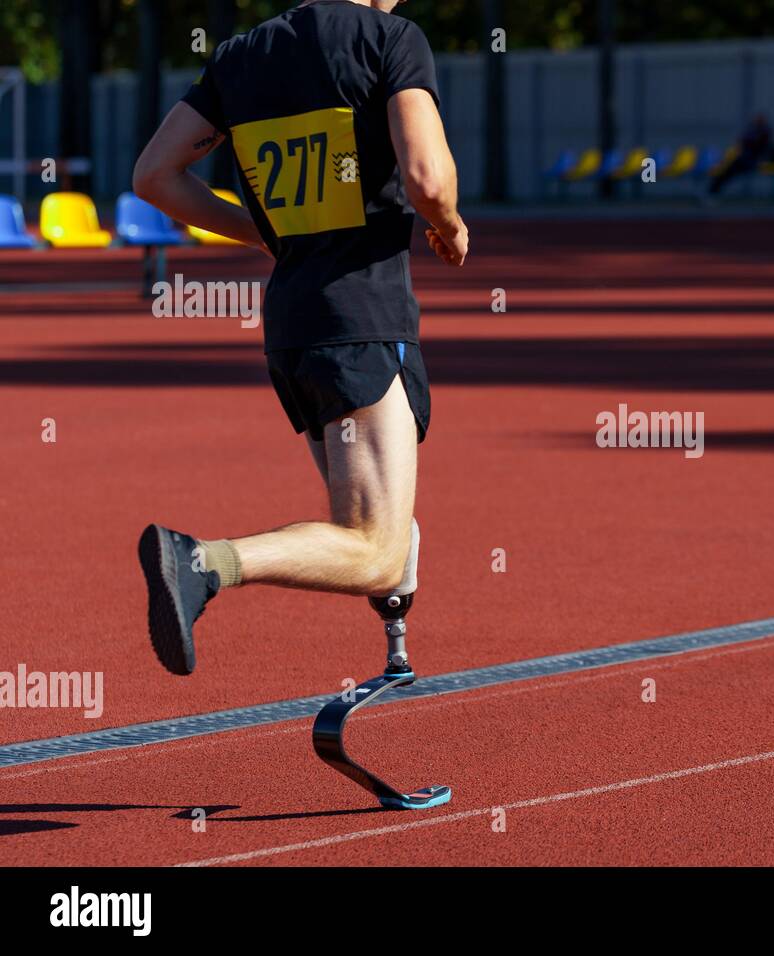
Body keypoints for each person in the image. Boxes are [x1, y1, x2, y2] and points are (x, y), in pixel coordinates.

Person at [132, 0, 467, 675]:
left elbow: (153, 177)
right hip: (362, 314)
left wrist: (261, 232)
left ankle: (391, 601)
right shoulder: (390, 40)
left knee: (375, 546)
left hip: (293, 325)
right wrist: (452, 224)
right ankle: (205, 562)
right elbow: (427, 179)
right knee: (373, 547)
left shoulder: (240, 56)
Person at [708, 113, 773, 196]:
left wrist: (748, 143)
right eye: (756, 120)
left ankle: (713, 191)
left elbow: (758, 147)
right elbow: (742, 143)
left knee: (729, 170)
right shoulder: (752, 131)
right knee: (725, 170)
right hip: (745, 160)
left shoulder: (765, 133)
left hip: (753, 161)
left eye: (759, 120)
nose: (756, 122)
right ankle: (712, 191)